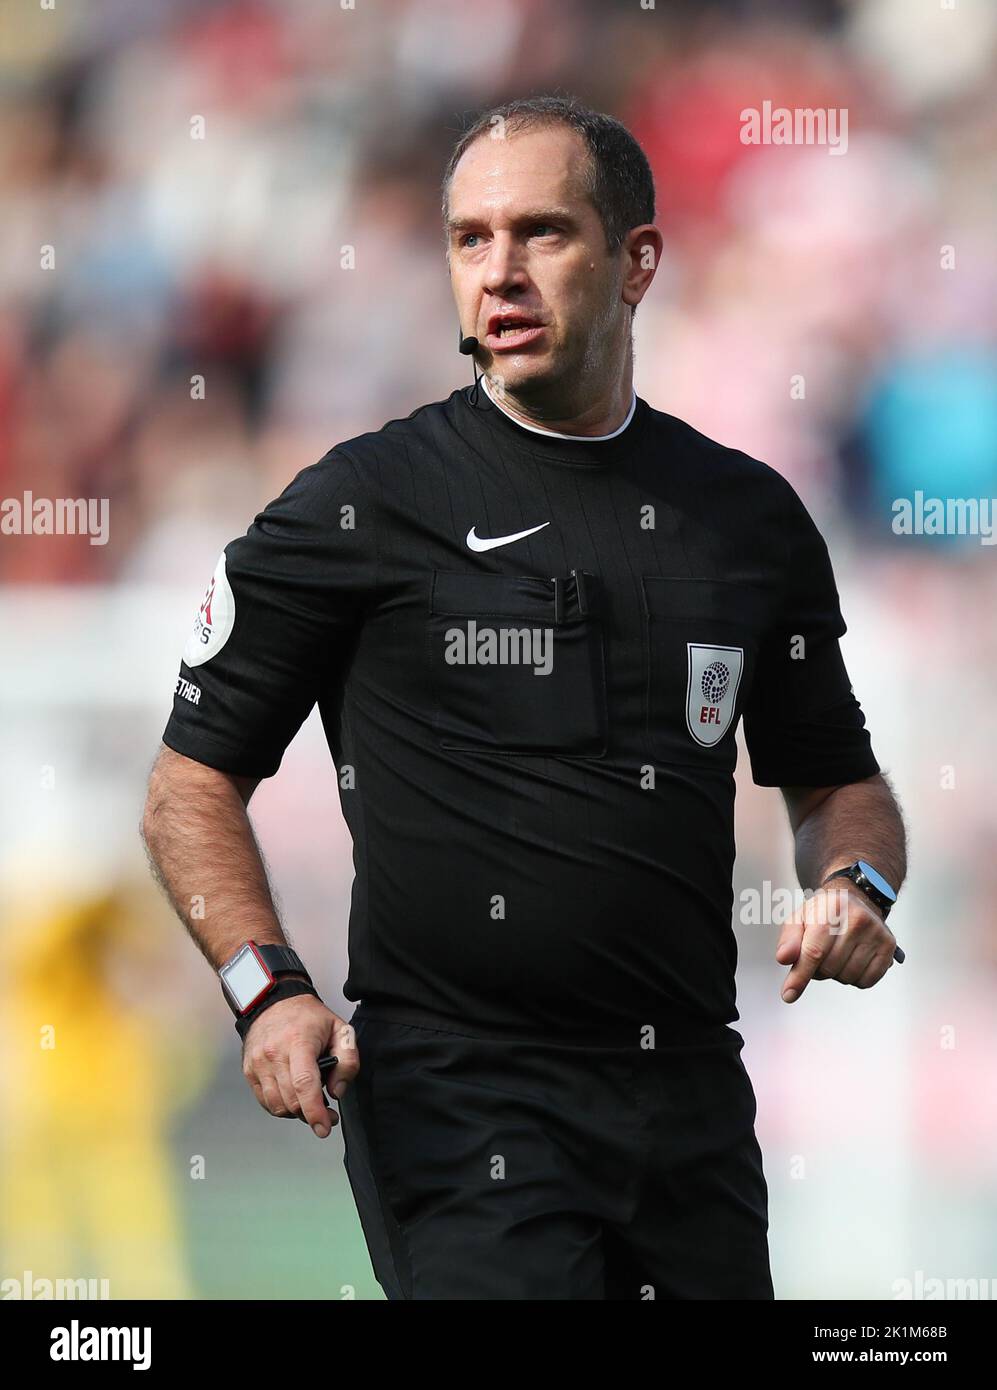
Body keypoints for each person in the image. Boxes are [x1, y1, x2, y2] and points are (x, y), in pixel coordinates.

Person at [141, 95, 907, 1300]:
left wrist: (855, 882)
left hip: (688, 1095)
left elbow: (836, 780)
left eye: (541, 232)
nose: (498, 272)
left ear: (636, 259)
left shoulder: (747, 520)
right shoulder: (360, 507)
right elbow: (189, 783)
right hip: (458, 1095)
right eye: (467, 238)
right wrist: (266, 990)